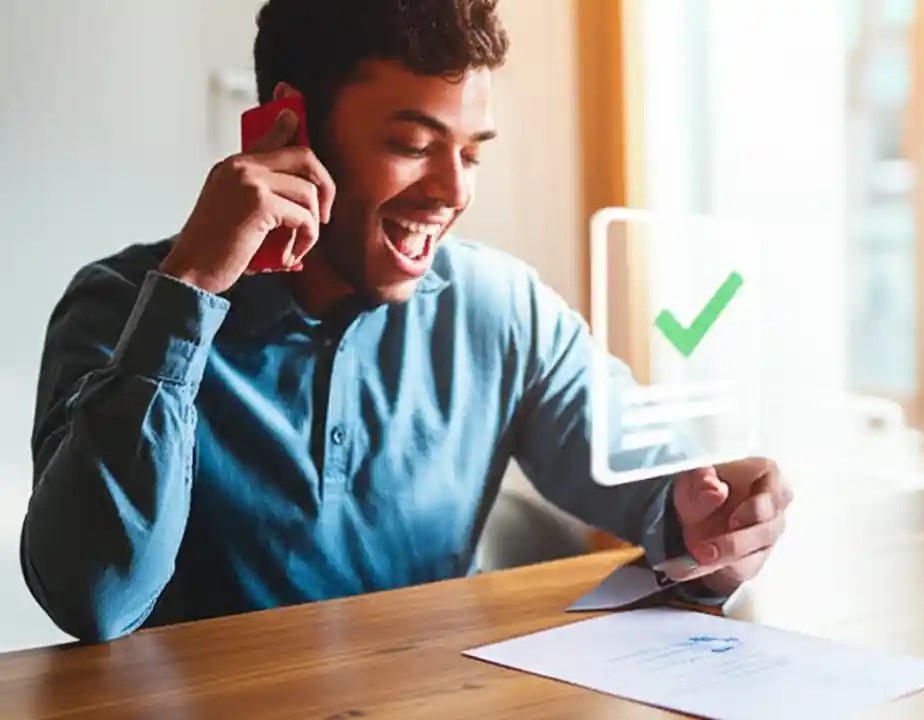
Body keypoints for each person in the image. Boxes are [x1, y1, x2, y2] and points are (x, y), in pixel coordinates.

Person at [20, 0, 791, 643]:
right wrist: (191, 287)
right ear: (286, 129)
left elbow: (668, 498)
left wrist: (715, 529)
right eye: (413, 145)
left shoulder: (501, 309)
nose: (451, 191)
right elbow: (95, 600)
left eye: (471, 152)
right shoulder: (122, 309)